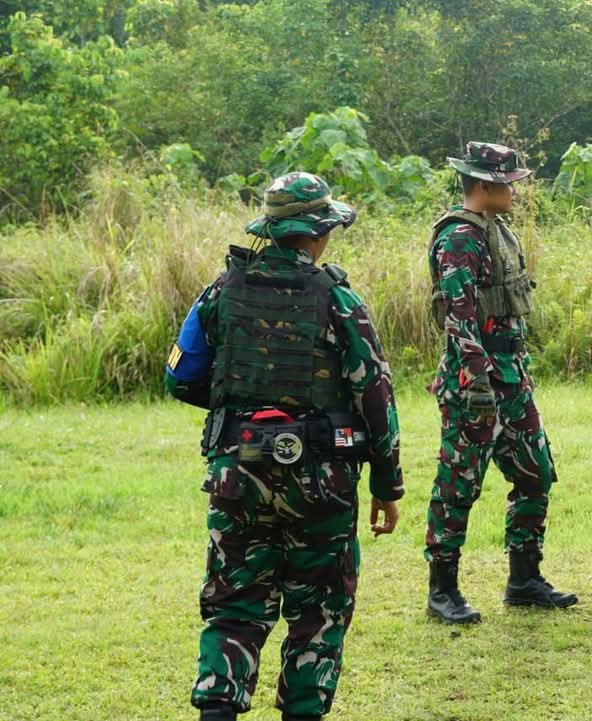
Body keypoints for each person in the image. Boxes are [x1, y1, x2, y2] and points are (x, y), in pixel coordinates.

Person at [164, 172, 403, 721]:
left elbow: (180, 378)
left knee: (234, 606)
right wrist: (388, 484)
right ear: (320, 232)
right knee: (318, 610)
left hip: (237, 474)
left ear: (271, 231)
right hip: (321, 480)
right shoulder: (340, 299)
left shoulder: (219, 292)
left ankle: (217, 710)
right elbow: (376, 397)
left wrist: (244, 411)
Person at [424, 141, 577, 624]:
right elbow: (459, 316)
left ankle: (524, 579)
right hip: (477, 385)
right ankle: (442, 589)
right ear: (485, 185)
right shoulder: (459, 239)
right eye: (508, 183)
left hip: (513, 380)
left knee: (536, 474)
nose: (515, 191)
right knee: (459, 484)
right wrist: (477, 381)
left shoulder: (497, 231)